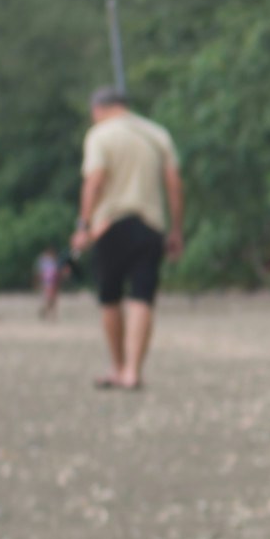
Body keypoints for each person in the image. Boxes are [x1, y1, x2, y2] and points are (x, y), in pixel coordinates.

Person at [72, 85, 185, 392]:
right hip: (150, 223)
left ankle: (117, 365)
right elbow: (174, 183)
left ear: (99, 108)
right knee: (142, 296)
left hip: (110, 223)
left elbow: (94, 181)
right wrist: (176, 228)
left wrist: (83, 225)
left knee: (110, 296)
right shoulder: (157, 134)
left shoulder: (100, 135)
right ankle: (134, 371)